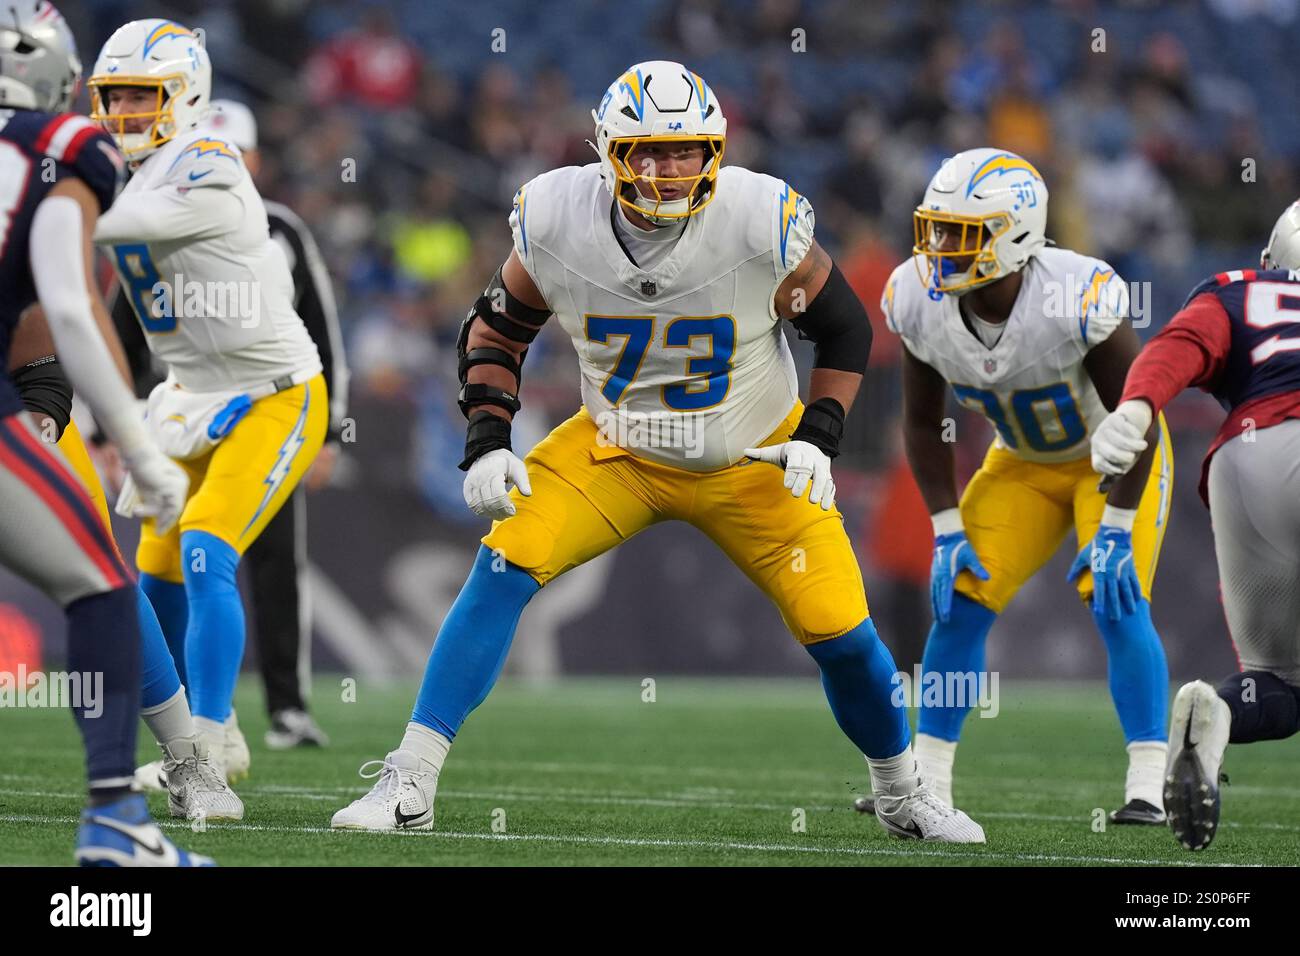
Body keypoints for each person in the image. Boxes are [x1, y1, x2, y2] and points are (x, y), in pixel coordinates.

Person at [331, 61, 984, 843]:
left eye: (685, 150)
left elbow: (844, 328)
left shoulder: (755, 217)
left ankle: (901, 791)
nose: (667, 170)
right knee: (502, 566)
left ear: (714, 151)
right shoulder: (557, 215)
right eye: (646, 150)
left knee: (844, 635)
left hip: (754, 458)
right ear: (608, 150)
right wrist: (486, 441)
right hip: (616, 450)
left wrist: (819, 435)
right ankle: (411, 780)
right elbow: (496, 331)